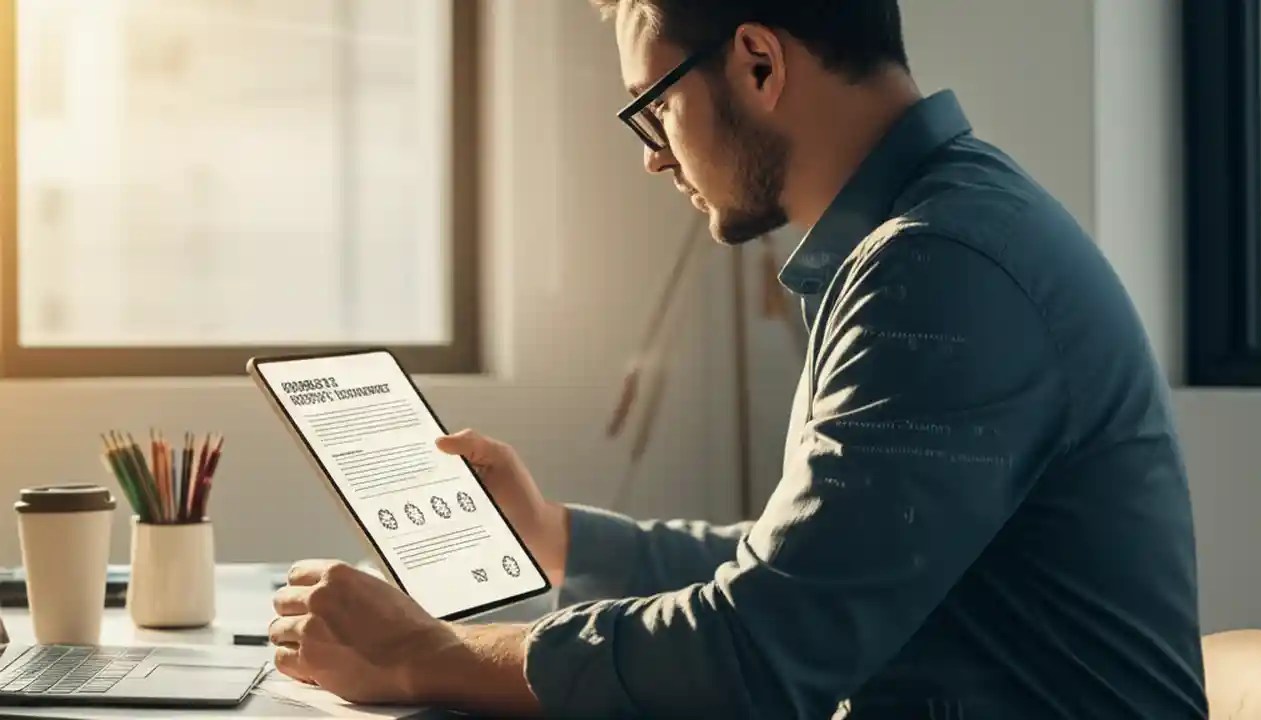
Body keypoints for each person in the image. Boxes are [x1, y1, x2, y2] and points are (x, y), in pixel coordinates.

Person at [267, 1, 1209, 717]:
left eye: (654, 107)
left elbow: (762, 651)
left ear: (757, 63)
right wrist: (557, 534)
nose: (653, 158)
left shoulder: (936, 266)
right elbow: (806, 569)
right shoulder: (937, 231)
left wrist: (421, 657)